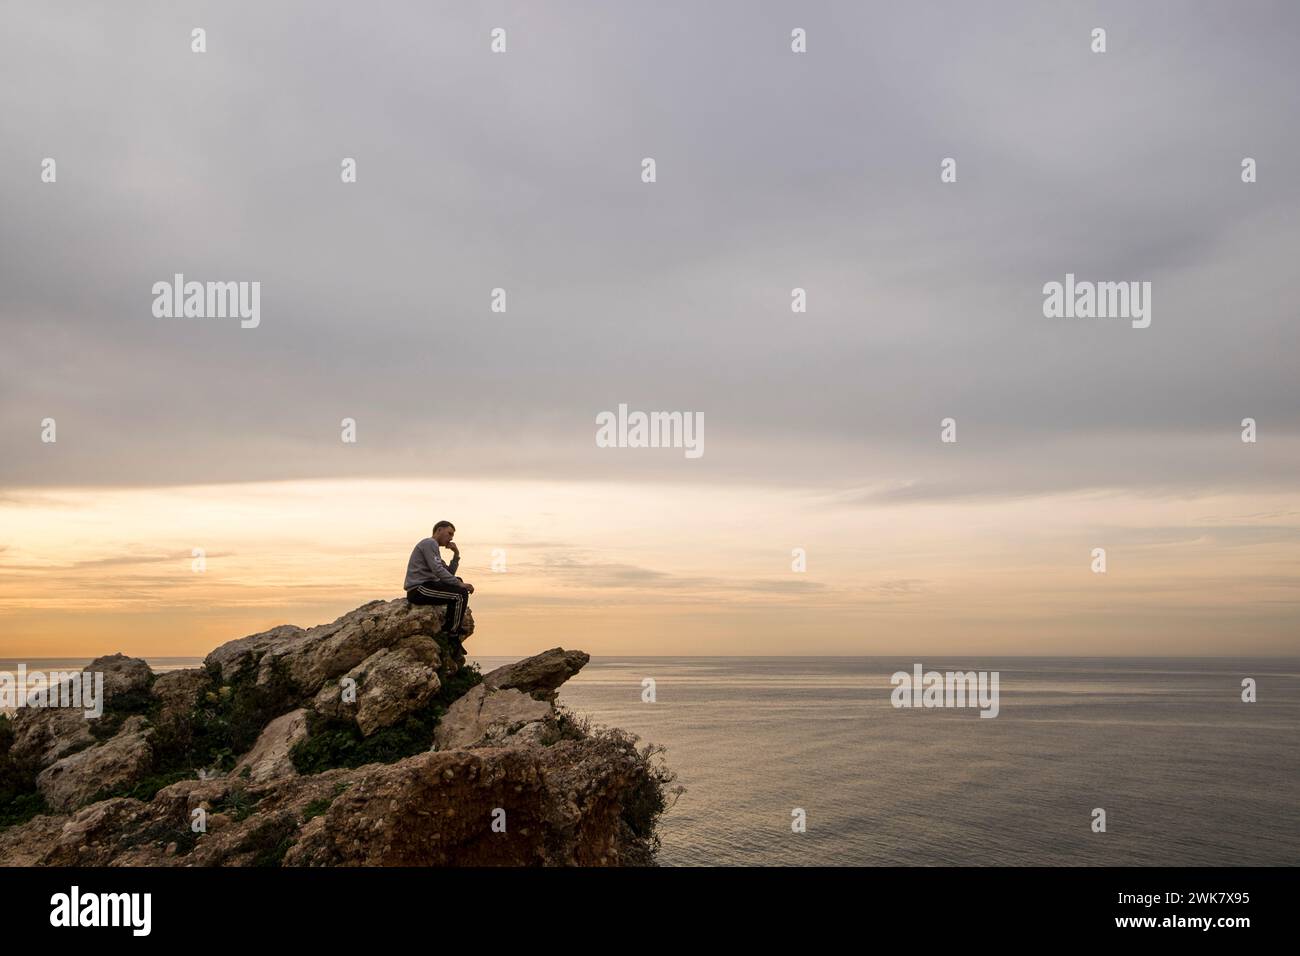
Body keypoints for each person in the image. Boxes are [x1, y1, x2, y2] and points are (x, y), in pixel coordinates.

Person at [404, 521, 475, 645]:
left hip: (427, 586)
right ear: (439, 530)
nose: (451, 538)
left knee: (458, 581)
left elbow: (448, 574)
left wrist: (456, 555)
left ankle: (451, 624)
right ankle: (453, 635)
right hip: (419, 589)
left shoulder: (433, 550)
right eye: (449, 533)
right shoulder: (429, 543)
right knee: (460, 594)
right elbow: (438, 570)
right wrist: (460, 585)